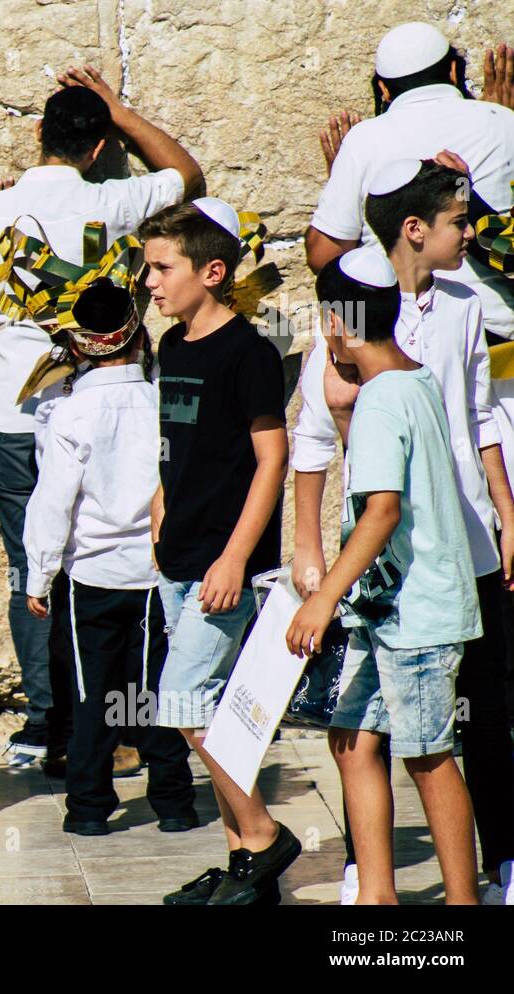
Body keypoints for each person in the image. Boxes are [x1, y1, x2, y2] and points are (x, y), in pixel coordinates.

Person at [0, 66, 203, 766]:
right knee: (123, 563)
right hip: (104, 410)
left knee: (35, 572)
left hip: (17, 420)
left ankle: (49, 723)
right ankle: (125, 728)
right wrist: (121, 109)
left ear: (38, 136)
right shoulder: (116, 201)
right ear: (96, 148)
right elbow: (186, 173)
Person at [295, 158, 514, 905]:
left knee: (428, 755)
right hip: (388, 608)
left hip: (416, 609)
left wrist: (322, 596)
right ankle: (380, 896)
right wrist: (345, 409)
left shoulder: (390, 396)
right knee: (353, 736)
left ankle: (458, 904)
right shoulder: (406, 377)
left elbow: (383, 509)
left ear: (340, 323)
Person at [142, 198, 295, 905]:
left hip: (222, 564)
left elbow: (272, 460)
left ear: (210, 272)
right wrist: (160, 508)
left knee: (182, 704)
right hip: (178, 555)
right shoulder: (172, 347)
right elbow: (179, 448)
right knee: (215, 707)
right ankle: (243, 868)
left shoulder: (250, 353)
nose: (150, 282)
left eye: (160, 268)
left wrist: (234, 558)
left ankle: (264, 836)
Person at [21, 275, 198, 838]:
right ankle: (173, 803)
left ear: (80, 345)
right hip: (155, 573)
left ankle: (90, 808)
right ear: (137, 336)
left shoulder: (71, 413)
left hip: (91, 577)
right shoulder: (166, 402)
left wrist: (39, 576)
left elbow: (52, 502)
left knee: (89, 696)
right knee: (157, 692)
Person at [306, 21, 514, 482]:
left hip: (410, 350)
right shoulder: (505, 123)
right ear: (456, 70)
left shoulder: (365, 139)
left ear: (382, 87)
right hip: (504, 359)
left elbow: (323, 253)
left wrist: (358, 200)